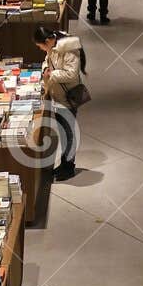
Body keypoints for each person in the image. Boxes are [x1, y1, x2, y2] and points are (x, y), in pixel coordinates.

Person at [38, 27, 85, 179]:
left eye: (40, 46)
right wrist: (45, 68)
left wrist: (52, 74)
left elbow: (71, 73)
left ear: (47, 41)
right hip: (58, 95)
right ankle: (64, 164)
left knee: (68, 133)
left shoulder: (69, 47)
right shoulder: (53, 45)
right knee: (63, 132)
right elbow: (48, 60)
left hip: (68, 96)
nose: (42, 49)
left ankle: (69, 167)